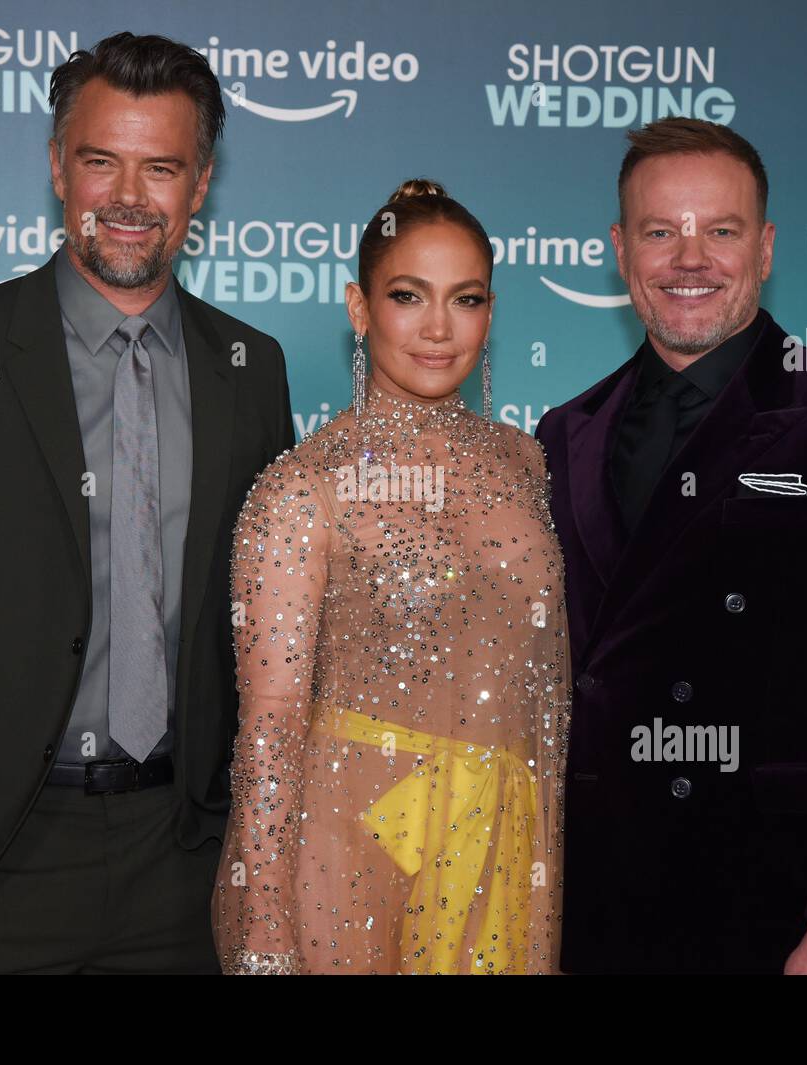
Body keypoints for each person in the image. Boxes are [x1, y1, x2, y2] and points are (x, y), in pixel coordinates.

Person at [0, 32, 294, 973]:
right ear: (55, 167)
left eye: (161, 167)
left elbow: (262, 622)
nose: (127, 197)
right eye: (99, 161)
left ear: (199, 186)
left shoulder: (252, 369)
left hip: (184, 866)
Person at [536, 116, 807, 975]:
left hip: (787, 919)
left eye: (720, 231)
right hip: (600, 920)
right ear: (621, 251)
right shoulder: (563, 434)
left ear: (765, 248)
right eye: (662, 231)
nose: (689, 258)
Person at [210, 179, 571, 974]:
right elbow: (267, 734)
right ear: (359, 306)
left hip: (503, 859)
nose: (440, 327)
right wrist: (265, 926)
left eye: (466, 298)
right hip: (353, 858)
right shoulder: (303, 489)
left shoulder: (528, 464)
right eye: (409, 295)